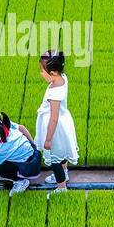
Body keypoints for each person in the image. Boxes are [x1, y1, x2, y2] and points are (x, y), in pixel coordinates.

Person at [35, 50, 79, 196]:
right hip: (64, 122)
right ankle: (64, 172)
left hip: (55, 128)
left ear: (53, 72)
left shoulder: (55, 92)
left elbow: (53, 118)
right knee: (63, 151)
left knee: (54, 157)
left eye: (42, 71)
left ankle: (61, 187)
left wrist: (48, 139)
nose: (41, 73)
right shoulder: (62, 78)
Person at [0, 111, 42, 196]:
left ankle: (20, 181)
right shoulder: (5, 125)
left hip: (28, 167)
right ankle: (18, 173)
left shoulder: (0, 148)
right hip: (34, 153)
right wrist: (33, 145)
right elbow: (22, 128)